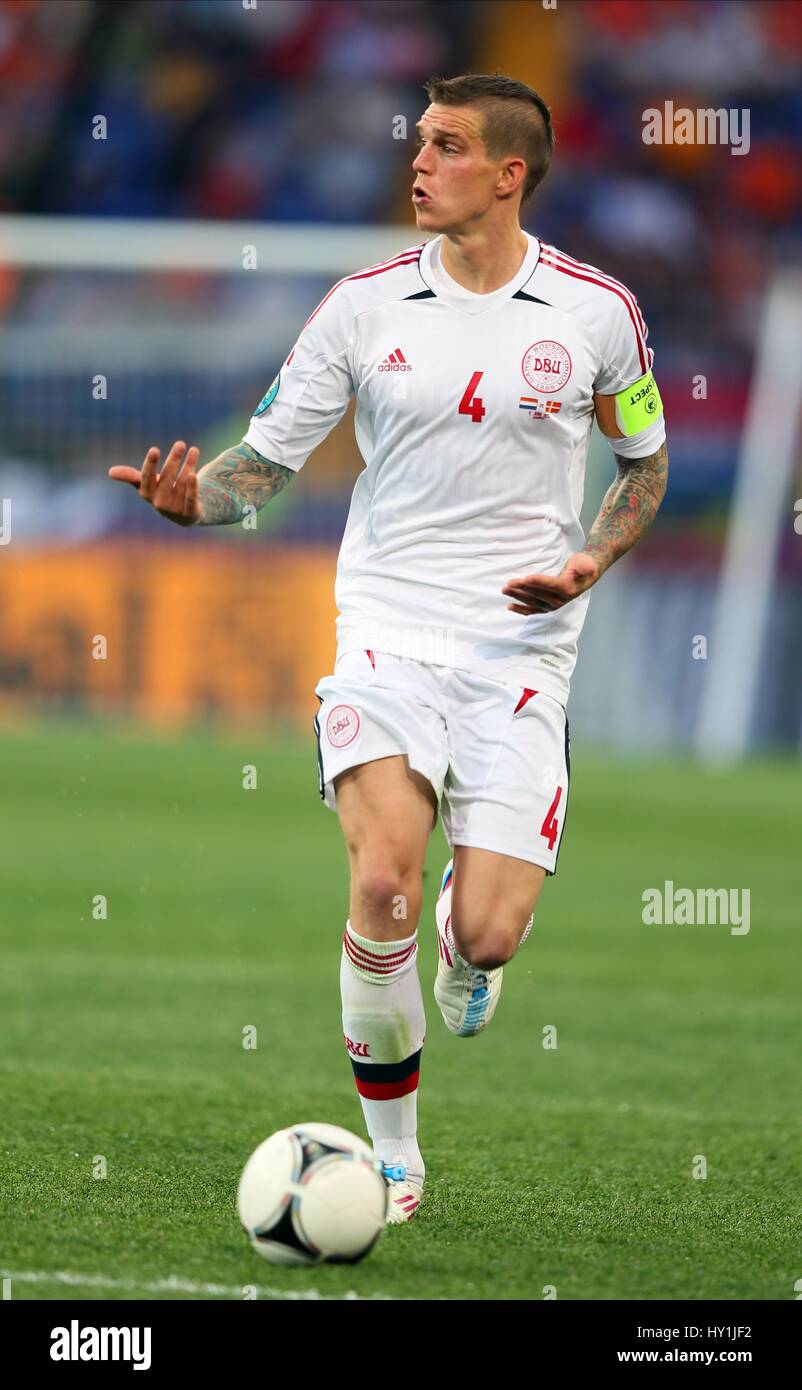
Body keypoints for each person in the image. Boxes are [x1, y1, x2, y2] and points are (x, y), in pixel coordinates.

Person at [110, 73, 668, 1225]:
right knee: (378, 882)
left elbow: (643, 462)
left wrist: (588, 561)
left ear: (508, 174)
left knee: (487, 934)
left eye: (447, 146)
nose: (418, 162)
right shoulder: (361, 308)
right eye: (419, 141)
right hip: (386, 631)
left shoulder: (596, 312)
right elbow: (260, 465)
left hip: (521, 649)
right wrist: (196, 502)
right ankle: (393, 1156)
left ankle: (469, 943)